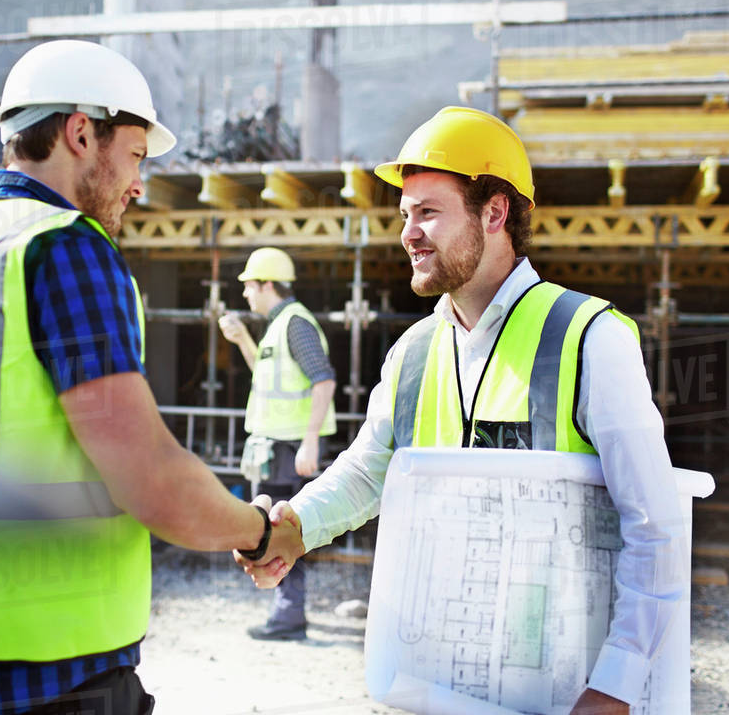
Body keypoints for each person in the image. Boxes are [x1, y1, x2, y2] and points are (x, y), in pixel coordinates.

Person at [0, 39, 296, 715]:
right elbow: (151, 478)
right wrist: (264, 533)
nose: (139, 184)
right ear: (80, 133)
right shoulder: (63, 247)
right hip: (51, 656)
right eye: (136, 155)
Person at [238, 106, 688, 715]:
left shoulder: (589, 338)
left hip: (563, 688)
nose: (408, 233)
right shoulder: (412, 353)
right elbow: (369, 471)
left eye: (428, 212)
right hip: (442, 682)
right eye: (405, 214)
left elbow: (655, 525)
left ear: (494, 213)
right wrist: (295, 528)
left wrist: (615, 685)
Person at [217, 247, 338, 640]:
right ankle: (286, 611)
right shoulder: (279, 324)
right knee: (276, 529)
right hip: (278, 447)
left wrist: (310, 442)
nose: (245, 294)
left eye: (249, 286)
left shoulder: (295, 323)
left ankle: (289, 615)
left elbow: (323, 380)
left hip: (290, 448)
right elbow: (265, 375)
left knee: (283, 531)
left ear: (267, 284)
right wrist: (242, 340)